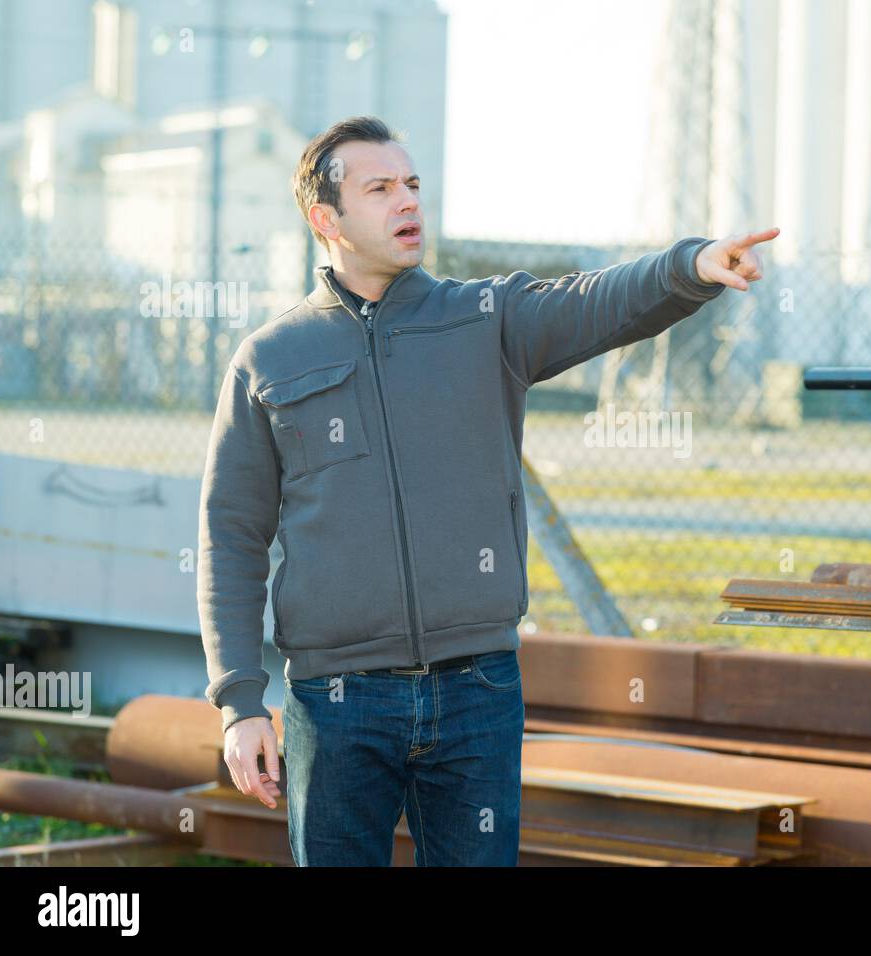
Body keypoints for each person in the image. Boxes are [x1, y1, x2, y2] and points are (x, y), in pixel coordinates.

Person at [197, 114, 778, 866]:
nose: (407, 201)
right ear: (325, 218)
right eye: (379, 189)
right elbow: (230, 536)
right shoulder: (270, 359)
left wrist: (690, 266)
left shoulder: (484, 319)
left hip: (476, 692)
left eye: (411, 184)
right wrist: (240, 702)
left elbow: (597, 301)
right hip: (336, 701)